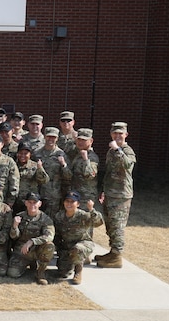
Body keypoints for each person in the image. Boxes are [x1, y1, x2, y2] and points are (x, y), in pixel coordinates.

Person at [96, 121, 136, 268]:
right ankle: (112, 253)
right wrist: (104, 190)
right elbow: (109, 173)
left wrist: (118, 150)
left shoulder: (127, 150)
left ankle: (117, 257)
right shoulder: (111, 151)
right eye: (115, 133)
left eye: (121, 133)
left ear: (126, 135)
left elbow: (127, 165)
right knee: (110, 225)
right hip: (111, 193)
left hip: (121, 196)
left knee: (118, 226)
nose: (118, 136)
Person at [53, 191, 104, 284]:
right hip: (67, 246)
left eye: (72, 202)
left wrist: (91, 209)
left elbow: (98, 223)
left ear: (78, 204)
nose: (69, 204)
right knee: (63, 273)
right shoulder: (59, 216)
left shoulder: (83, 215)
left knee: (78, 249)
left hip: (83, 243)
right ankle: (78, 260)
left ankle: (78, 271)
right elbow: (57, 234)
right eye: (67, 201)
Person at [6, 192, 55, 284]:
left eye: (35, 202)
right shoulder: (19, 216)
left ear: (39, 204)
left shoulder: (46, 219)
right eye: (30, 202)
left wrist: (32, 241)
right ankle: (29, 263)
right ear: (26, 203)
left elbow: (49, 236)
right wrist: (15, 227)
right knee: (12, 273)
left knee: (49, 246)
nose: (32, 205)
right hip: (22, 250)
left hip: (37, 249)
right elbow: (14, 237)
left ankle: (41, 272)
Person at [69, 128, 99, 205]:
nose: (80, 142)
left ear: (91, 141)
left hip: (86, 195)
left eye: (84, 140)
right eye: (79, 139)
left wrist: (86, 160)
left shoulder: (92, 157)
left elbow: (90, 175)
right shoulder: (77, 153)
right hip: (75, 192)